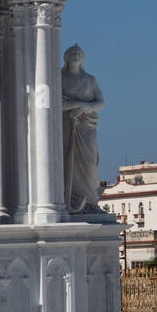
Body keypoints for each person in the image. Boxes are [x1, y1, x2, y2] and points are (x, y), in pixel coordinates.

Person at [61, 45, 104, 213]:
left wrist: (84, 108)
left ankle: (90, 202)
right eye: (72, 53)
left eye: (79, 53)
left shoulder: (90, 80)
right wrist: (78, 105)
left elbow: (101, 103)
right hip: (66, 125)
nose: (76, 55)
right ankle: (69, 199)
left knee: (90, 162)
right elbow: (54, 102)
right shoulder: (58, 77)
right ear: (66, 57)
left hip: (87, 126)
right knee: (67, 159)